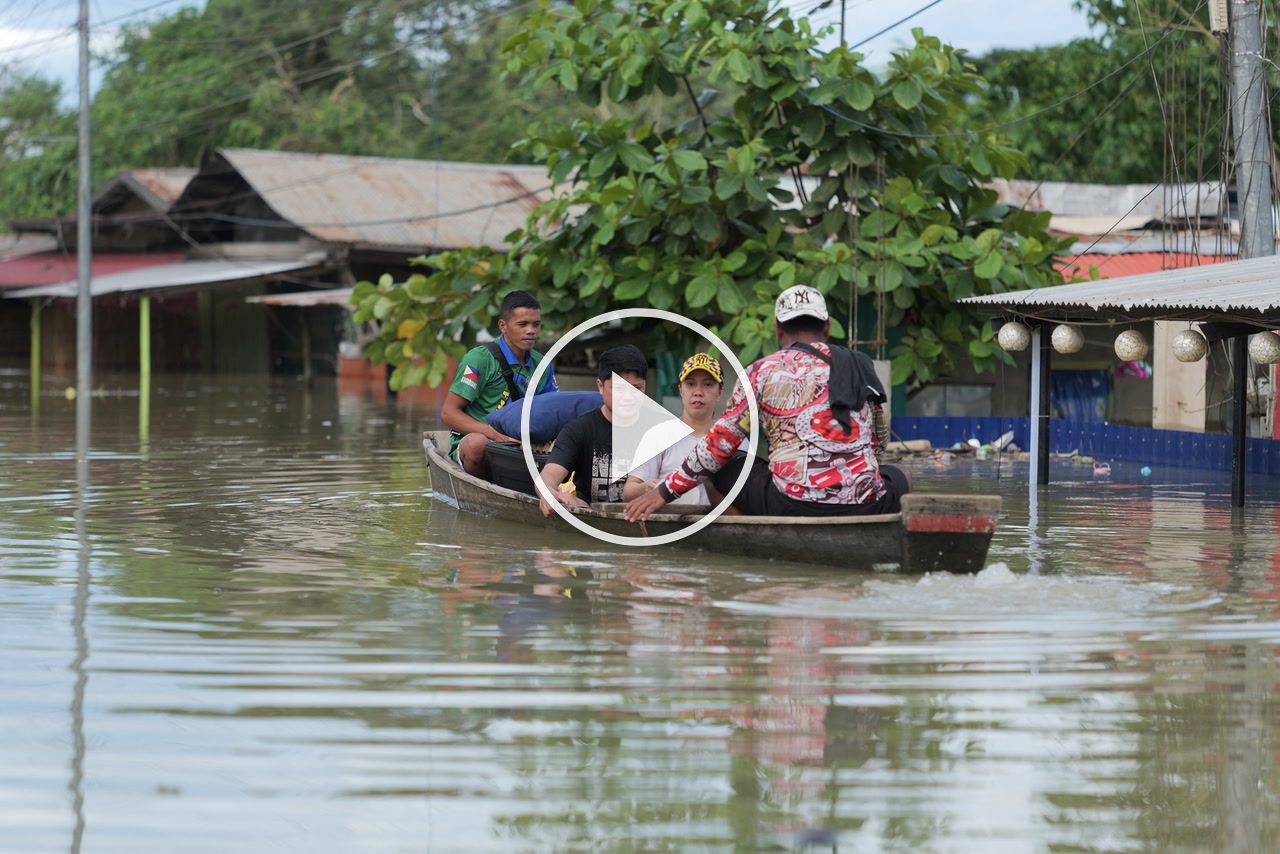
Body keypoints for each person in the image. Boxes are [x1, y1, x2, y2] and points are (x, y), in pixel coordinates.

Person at [625, 285, 910, 522]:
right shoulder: (860, 364)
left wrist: (663, 493)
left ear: (777, 329)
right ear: (827, 326)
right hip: (866, 503)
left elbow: (717, 447)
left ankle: (743, 539)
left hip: (791, 505)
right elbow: (877, 441)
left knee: (721, 465)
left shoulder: (760, 371)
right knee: (899, 475)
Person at [441, 291, 558, 478]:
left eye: (536, 325)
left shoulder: (542, 364)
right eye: (522, 324)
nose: (531, 331)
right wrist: (494, 434)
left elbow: (555, 410)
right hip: (483, 439)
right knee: (476, 444)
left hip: (524, 443)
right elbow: (449, 413)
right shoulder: (479, 359)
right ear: (503, 326)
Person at [538, 345, 649, 516]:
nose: (629, 397)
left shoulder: (659, 430)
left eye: (637, 388)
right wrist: (549, 493)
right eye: (619, 389)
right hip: (589, 513)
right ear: (600, 386)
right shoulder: (579, 429)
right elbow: (548, 476)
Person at [622, 352, 725, 507]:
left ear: (720, 393)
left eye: (708, 384)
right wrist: (647, 487)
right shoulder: (659, 435)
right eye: (690, 384)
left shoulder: (733, 440)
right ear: (680, 390)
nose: (698, 392)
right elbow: (628, 491)